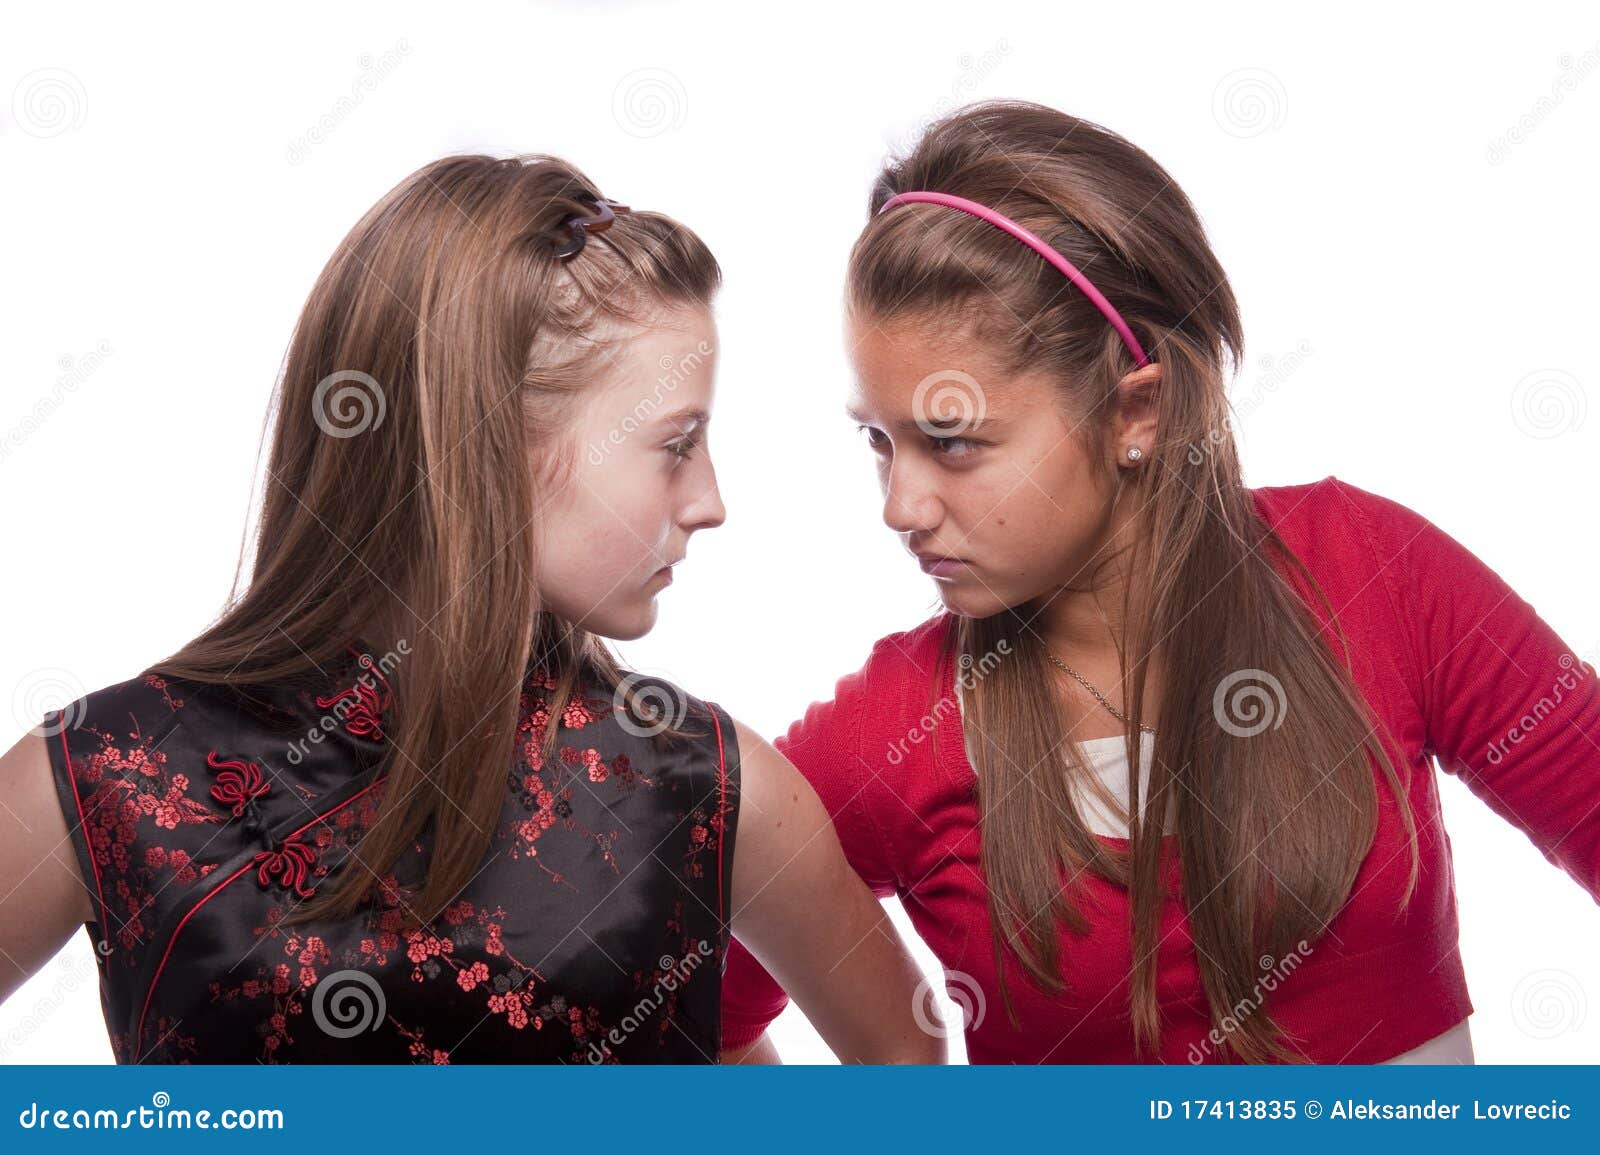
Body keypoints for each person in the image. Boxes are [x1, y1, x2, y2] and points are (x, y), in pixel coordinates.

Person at [0, 154, 940, 1065]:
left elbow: (912, 1076)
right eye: (676, 443)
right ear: (489, 447)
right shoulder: (97, 774)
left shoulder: (713, 791)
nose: (711, 499)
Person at [720, 101, 1600, 1064]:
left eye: (953, 443)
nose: (901, 505)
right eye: (879, 442)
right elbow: (686, 1020)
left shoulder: (1373, 574)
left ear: (1140, 411)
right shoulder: (889, 736)